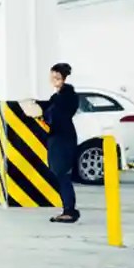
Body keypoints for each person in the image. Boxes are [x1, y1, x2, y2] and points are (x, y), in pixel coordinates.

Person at [41, 62, 80, 223]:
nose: (54, 80)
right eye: (52, 77)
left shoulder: (67, 96)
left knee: (62, 174)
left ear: (64, 78)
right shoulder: (58, 96)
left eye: (57, 77)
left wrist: (42, 113)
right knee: (59, 174)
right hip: (59, 137)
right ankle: (69, 209)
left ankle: (69, 211)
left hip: (62, 138)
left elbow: (56, 115)